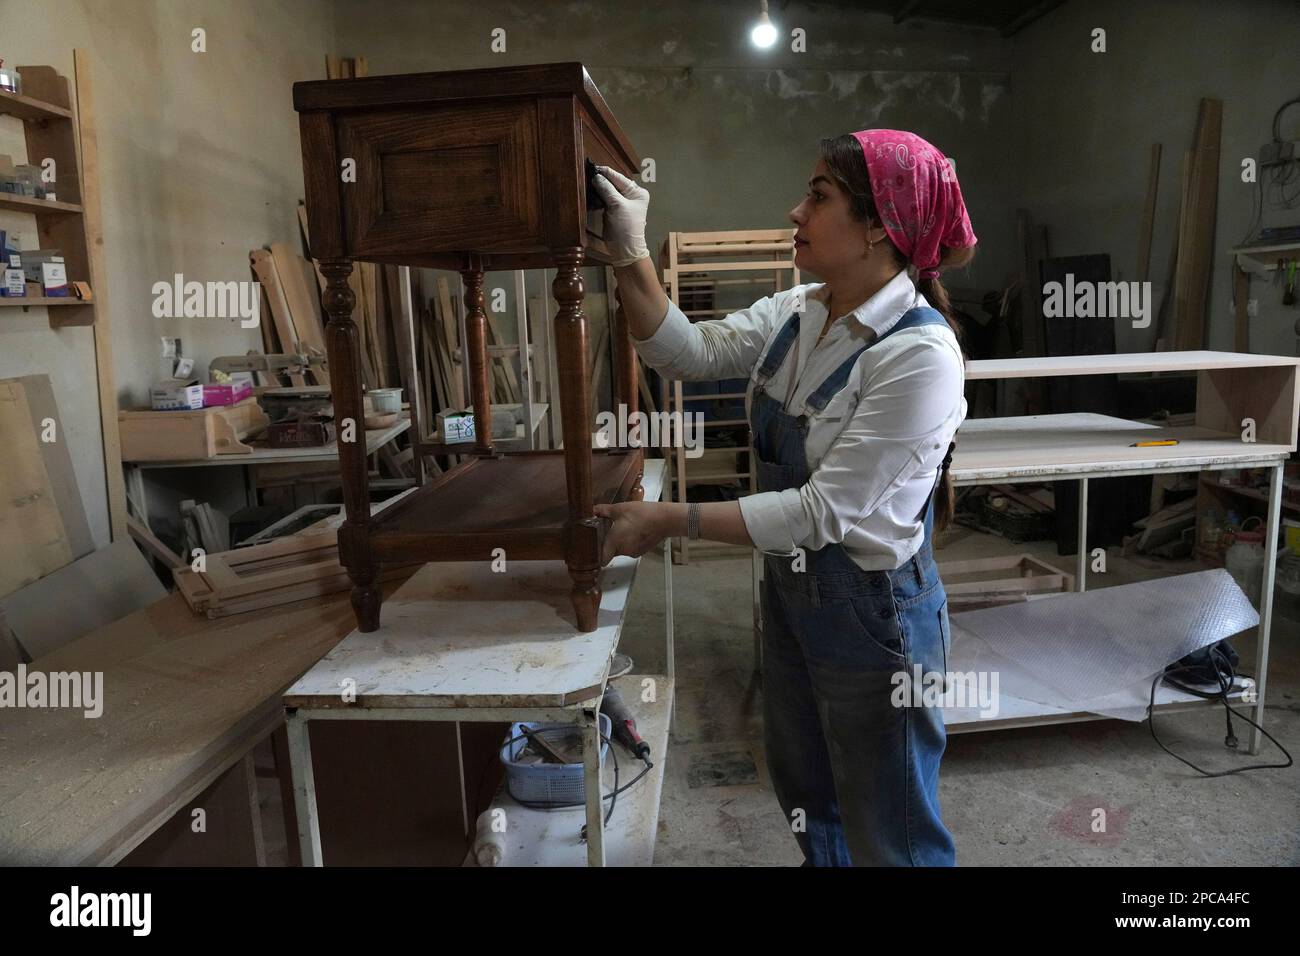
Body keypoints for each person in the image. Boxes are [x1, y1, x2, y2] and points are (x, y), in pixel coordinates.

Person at [590, 129, 976, 866]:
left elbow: (819, 512)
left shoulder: (918, 355)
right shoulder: (802, 311)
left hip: (873, 615)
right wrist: (628, 252)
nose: (796, 211)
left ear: (877, 227)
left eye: (819, 196)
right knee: (809, 796)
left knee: (888, 825)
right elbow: (687, 353)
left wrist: (669, 521)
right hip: (792, 595)